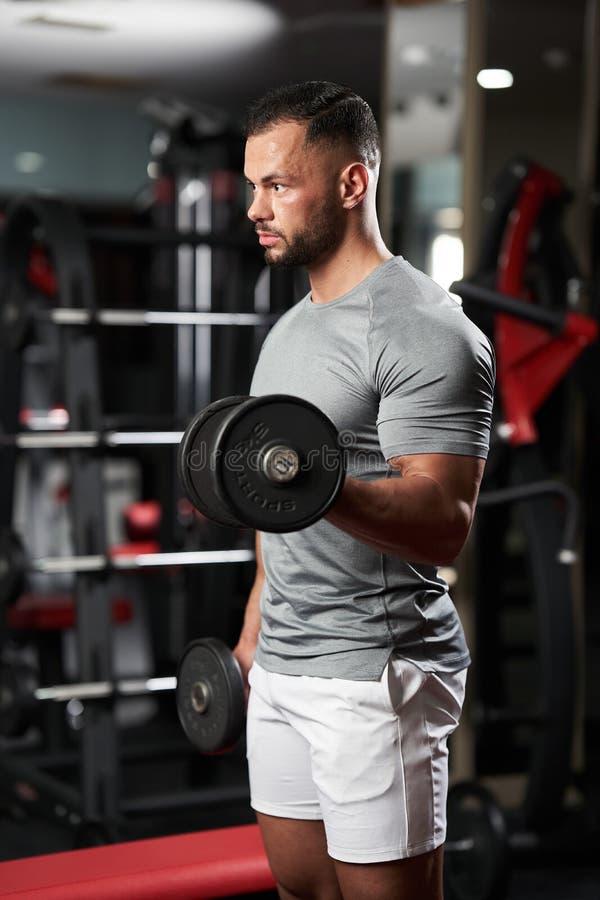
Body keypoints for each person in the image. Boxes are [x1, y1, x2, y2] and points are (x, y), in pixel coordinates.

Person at [233, 81, 495, 900]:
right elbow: (271, 508)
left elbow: (443, 521)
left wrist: (312, 482)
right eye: (253, 185)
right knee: (302, 891)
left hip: (373, 673)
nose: (254, 208)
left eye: (278, 184)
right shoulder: (291, 328)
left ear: (352, 183)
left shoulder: (425, 328)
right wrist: (253, 630)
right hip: (284, 662)